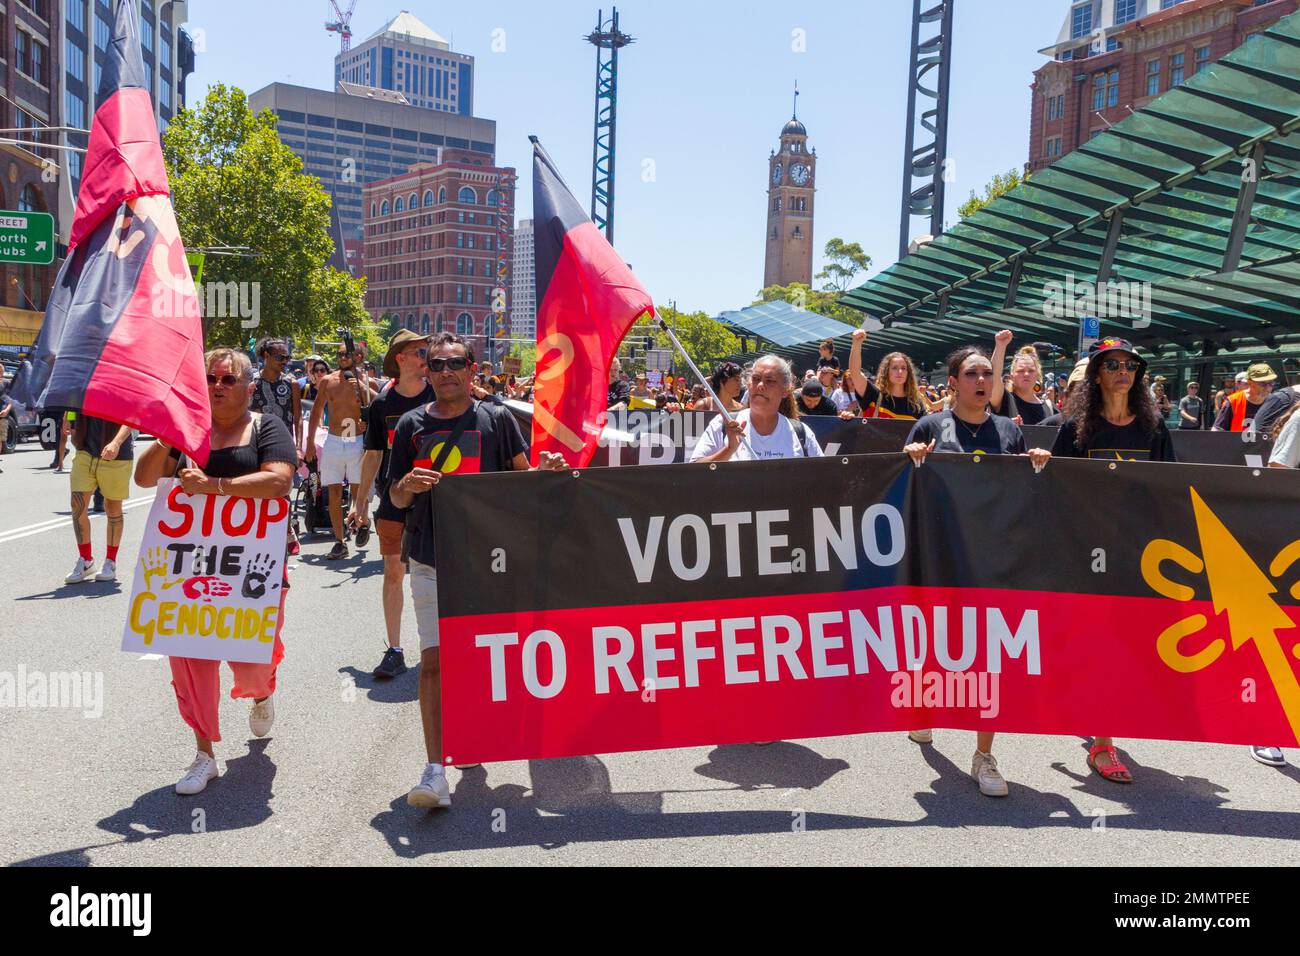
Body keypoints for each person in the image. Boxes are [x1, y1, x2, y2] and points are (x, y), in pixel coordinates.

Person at [387, 332, 565, 809]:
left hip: (491, 562)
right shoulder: (409, 426)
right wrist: (406, 484)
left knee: (488, 658)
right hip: (430, 556)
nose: (446, 371)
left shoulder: (497, 418)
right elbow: (394, 499)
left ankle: (477, 735)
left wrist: (544, 472)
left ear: (472, 369)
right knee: (434, 662)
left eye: (455, 363)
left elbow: (521, 481)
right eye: (437, 363)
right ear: (427, 371)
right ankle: (434, 769)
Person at [133, 348, 296, 795]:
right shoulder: (187, 433)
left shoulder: (267, 427)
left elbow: (279, 480)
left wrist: (216, 487)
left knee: (252, 663)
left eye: (228, 379)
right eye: (210, 379)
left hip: (254, 570)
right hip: (189, 569)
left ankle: (260, 692)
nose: (217, 386)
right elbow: (144, 480)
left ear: (248, 388)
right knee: (191, 658)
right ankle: (204, 754)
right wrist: (171, 435)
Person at [902, 345, 1052, 797]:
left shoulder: (1009, 430)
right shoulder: (929, 426)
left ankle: (984, 753)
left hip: (993, 561)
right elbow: (902, 492)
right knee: (938, 644)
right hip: (941, 556)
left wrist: (1037, 466)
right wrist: (910, 458)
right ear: (953, 382)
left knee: (989, 658)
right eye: (972, 373)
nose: (982, 380)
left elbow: (1021, 494)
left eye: (988, 373)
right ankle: (926, 710)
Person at [1050, 338, 1176, 784]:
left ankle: (1103, 743)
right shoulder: (1075, 430)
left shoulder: (1155, 429)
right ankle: (1090, 719)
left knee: (1118, 647)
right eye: (1113, 365)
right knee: (1088, 644)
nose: (1123, 371)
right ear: (1098, 375)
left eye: (1130, 365)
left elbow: (1169, 492)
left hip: (1135, 555)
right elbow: (1056, 491)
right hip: (1085, 554)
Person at [348, 330, 433, 679]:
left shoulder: (440, 393)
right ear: (400, 357)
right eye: (419, 352)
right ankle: (395, 649)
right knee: (393, 573)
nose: (426, 357)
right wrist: (360, 502)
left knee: (437, 576)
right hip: (394, 499)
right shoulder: (383, 404)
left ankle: (443, 646)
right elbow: (372, 454)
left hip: (436, 500)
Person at [306, 344, 377, 559]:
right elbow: (317, 411)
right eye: (339, 354)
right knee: (333, 492)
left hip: (357, 441)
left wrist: (364, 390)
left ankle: (363, 521)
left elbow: (379, 408)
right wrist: (309, 442)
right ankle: (339, 541)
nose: (343, 357)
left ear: (358, 356)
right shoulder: (328, 381)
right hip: (335, 441)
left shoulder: (367, 381)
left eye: (347, 354)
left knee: (358, 492)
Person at [690, 355, 823, 462]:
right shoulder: (723, 424)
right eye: (756, 378)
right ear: (748, 384)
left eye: (769, 381)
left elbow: (826, 478)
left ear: (785, 390)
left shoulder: (802, 434)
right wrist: (729, 449)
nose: (760, 385)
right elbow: (693, 472)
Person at [63, 414, 134, 584]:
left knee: (112, 507)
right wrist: (67, 417)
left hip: (116, 454)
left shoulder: (123, 387)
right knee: (77, 505)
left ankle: (110, 561)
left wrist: (116, 442)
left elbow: (132, 416)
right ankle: (86, 560)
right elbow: (74, 398)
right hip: (85, 451)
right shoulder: (84, 385)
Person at [251, 337, 304, 555]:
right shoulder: (251, 383)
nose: (285, 361)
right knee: (256, 490)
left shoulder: (290, 383)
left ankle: (284, 529)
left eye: (287, 357)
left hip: (282, 448)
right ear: (266, 356)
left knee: (281, 488)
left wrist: (299, 447)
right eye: (280, 357)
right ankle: (256, 532)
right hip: (254, 445)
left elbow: (298, 418)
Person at [844, 328, 926, 420]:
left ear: (909, 373)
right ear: (886, 372)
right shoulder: (873, 394)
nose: (900, 372)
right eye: (894, 368)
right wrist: (856, 343)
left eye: (903, 368)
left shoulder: (916, 404)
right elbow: (855, 373)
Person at [990, 333, 1052, 425]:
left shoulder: (1049, 407)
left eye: (1031, 371)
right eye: (1020, 371)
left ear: (1038, 375)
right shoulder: (1004, 400)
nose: (1026, 374)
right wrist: (1000, 346)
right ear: (1011, 376)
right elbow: (993, 377)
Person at [1213, 363, 1275, 433]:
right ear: (1249, 383)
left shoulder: (1275, 402)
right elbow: (1217, 431)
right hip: (1238, 443)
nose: (1268, 388)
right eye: (1262, 384)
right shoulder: (1233, 401)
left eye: (1271, 383)